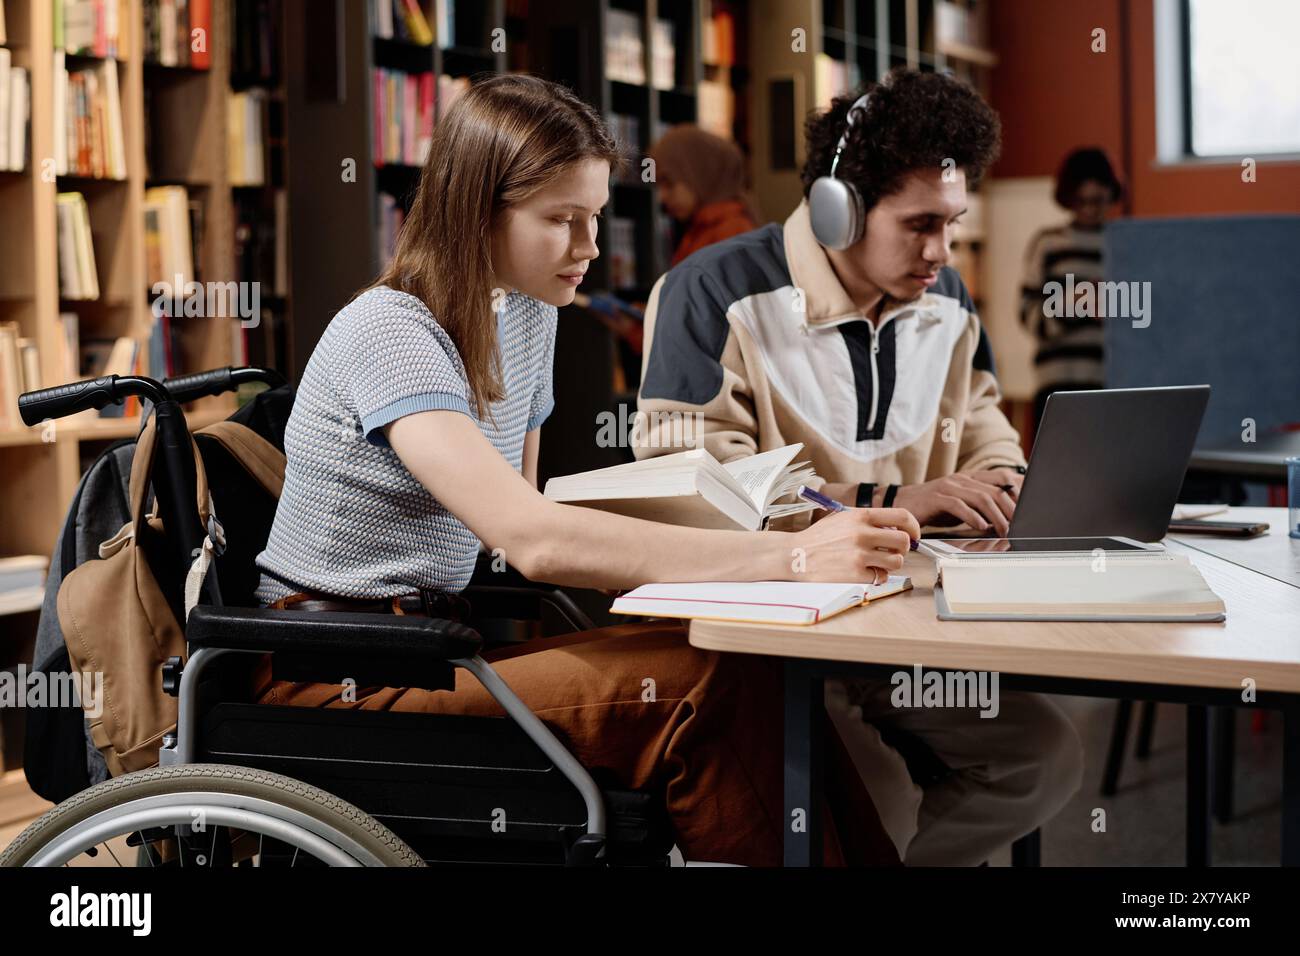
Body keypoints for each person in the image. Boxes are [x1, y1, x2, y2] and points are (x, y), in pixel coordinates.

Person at [250, 74, 922, 867]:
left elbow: (521, 517)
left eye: (595, 216)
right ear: (477, 211)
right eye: (562, 220)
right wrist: (794, 560)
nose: (591, 248)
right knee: (712, 688)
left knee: (753, 669)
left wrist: (736, 538)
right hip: (336, 679)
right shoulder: (389, 332)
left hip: (431, 649)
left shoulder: (528, 316)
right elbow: (530, 537)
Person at [633, 69, 1084, 865]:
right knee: (864, 801)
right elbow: (694, 485)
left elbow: (984, 425)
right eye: (919, 225)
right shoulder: (710, 292)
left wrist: (1005, 486)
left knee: (1041, 756)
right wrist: (891, 498)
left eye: (952, 225)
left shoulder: (946, 302)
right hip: (772, 637)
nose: (941, 253)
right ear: (838, 210)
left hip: (914, 623)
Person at [1020, 147, 1125, 430]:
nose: (1091, 209)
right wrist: (1077, 304)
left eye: (1099, 200)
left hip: (1115, 386)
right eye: (1082, 201)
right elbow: (1029, 319)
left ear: (1111, 195)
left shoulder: (1126, 244)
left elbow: (1146, 321)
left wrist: (1119, 308)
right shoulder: (1049, 244)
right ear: (1068, 199)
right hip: (1057, 388)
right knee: (1057, 472)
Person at [648, 124, 761, 266]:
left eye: (669, 183)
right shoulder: (702, 228)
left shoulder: (730, 232)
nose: (661, 197)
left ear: (700, 175)